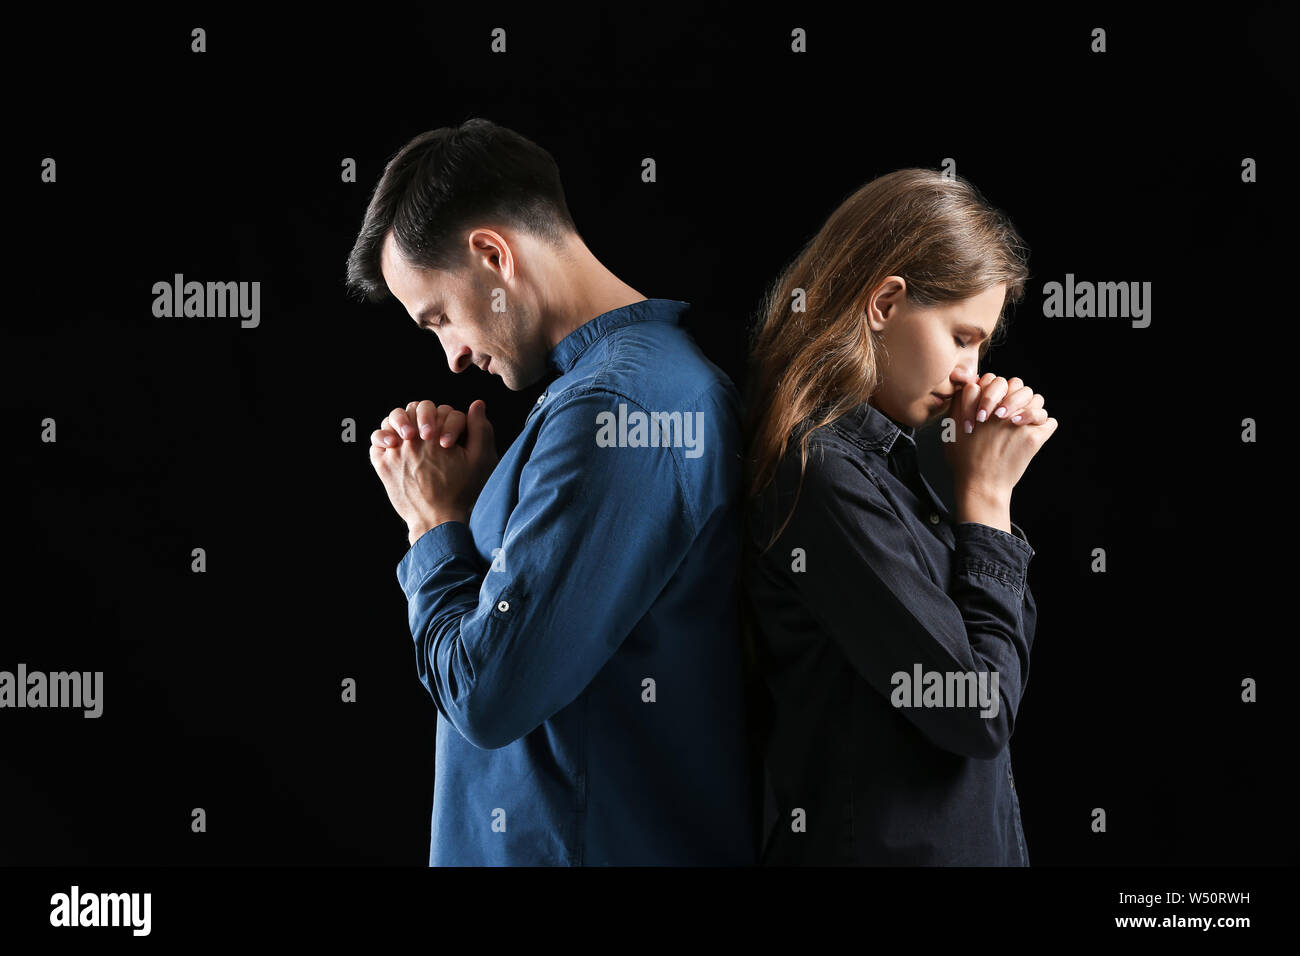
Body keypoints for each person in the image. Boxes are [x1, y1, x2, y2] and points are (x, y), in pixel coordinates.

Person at [347, 118, 755, 865]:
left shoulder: (618, 409)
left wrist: (432, 524)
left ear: (492, 254)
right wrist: (473, 514)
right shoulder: (621, 392)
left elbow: (488, 694)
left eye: (439, 317)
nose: (454, 357)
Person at [741, 168, 1058, 865]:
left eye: (982, 348)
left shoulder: (900, 466)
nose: (972, 374)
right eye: (961, 337)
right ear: (884, 303)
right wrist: (988, 502)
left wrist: (969, 488)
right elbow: (977, 710)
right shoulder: (818, 472)